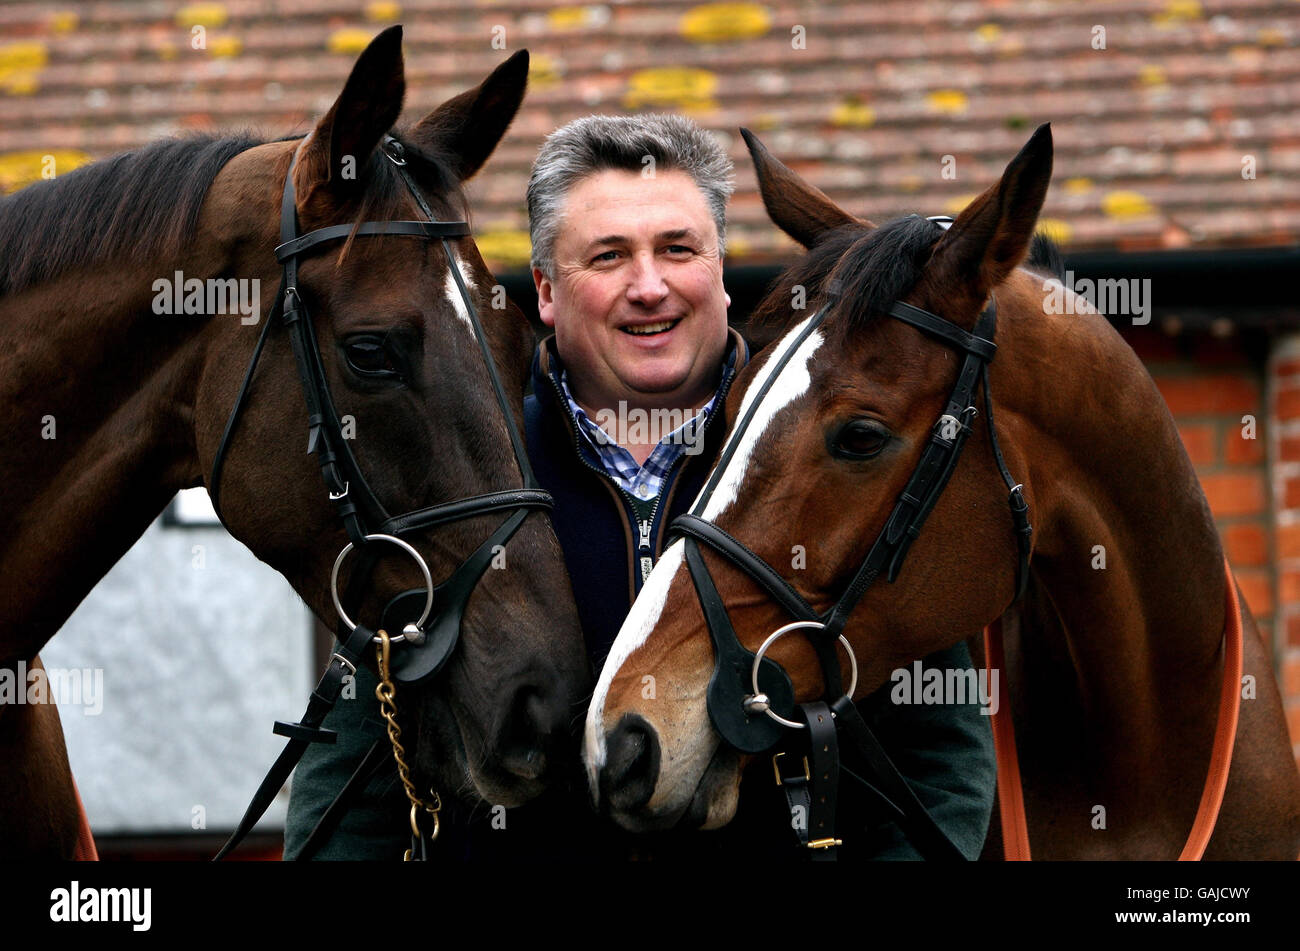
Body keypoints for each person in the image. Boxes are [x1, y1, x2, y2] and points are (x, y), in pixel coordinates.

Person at [283, 113, 996, 861]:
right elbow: (355, 779)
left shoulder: (844, 461)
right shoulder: (455, 474)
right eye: (610, 256)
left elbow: (939, 770)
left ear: (720, 276)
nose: (649, 287)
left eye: (678, 250)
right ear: (550, 294)